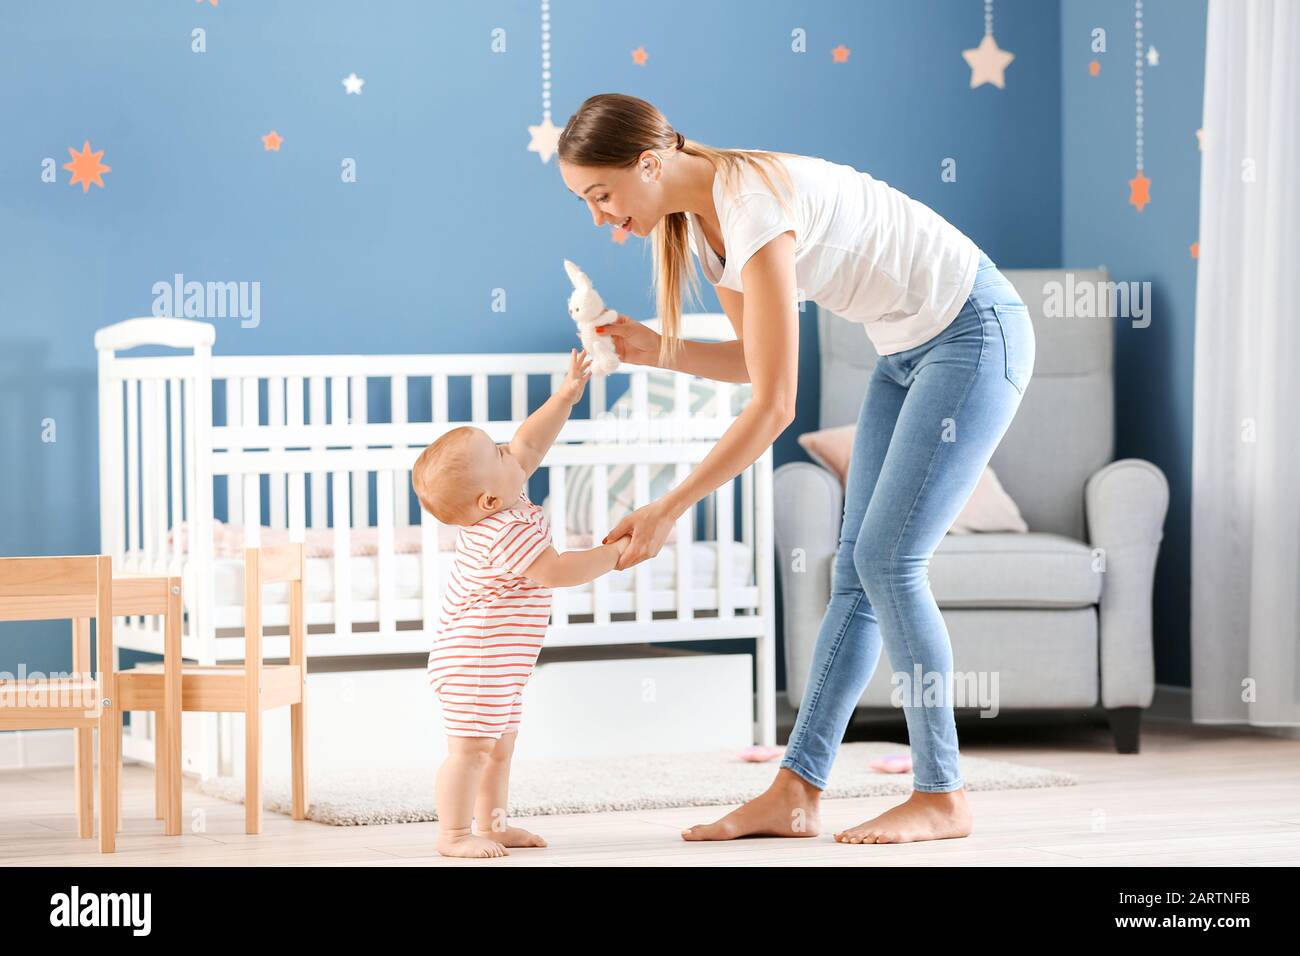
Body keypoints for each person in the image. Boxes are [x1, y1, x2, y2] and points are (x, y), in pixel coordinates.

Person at [557, 93, 1035, 845]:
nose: (599, 217)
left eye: (601, 195)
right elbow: (754, 366)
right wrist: (657, 347)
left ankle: (943, 794)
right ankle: (796, 791)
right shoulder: (705, 229)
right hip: (906, 349)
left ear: (648, 164)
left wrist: (668, 505)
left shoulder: (749, 204)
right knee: (858, 568)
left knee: (890, 561)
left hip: (974, 330)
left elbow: (777, 405)